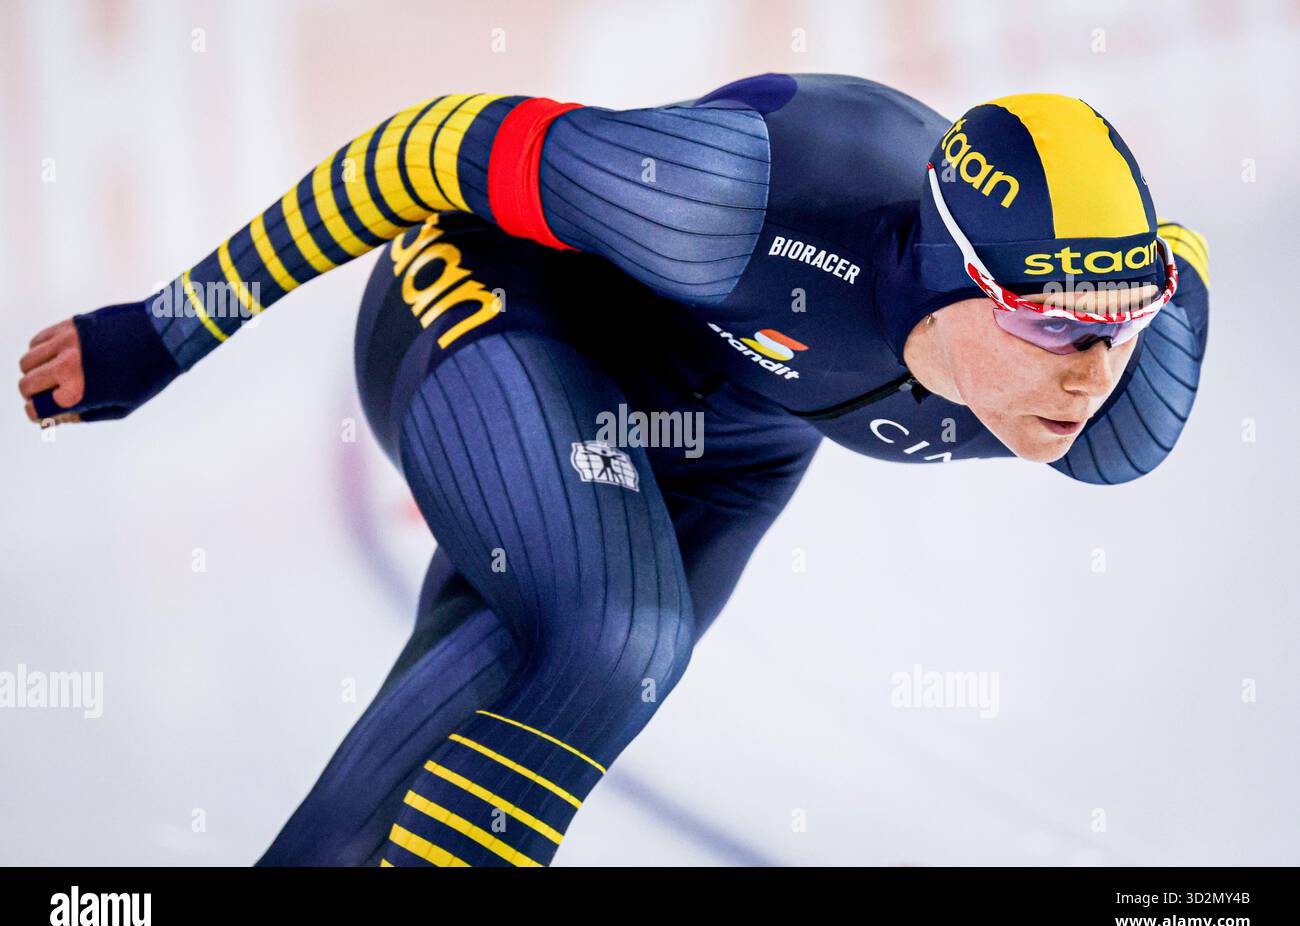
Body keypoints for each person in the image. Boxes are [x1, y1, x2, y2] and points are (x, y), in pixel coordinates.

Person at [16, 73, 1209, 866]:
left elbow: (1148, 295)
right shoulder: (733, 194)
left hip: (724, 438)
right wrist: (165, 329)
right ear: (952, 279)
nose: (1092, 370)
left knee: (496, 685)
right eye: (1054, 323)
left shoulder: (1120, 406)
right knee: (617, 631)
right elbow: (425, 146)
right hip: (493, 305)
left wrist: (1133, 297)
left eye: (1126, 316)